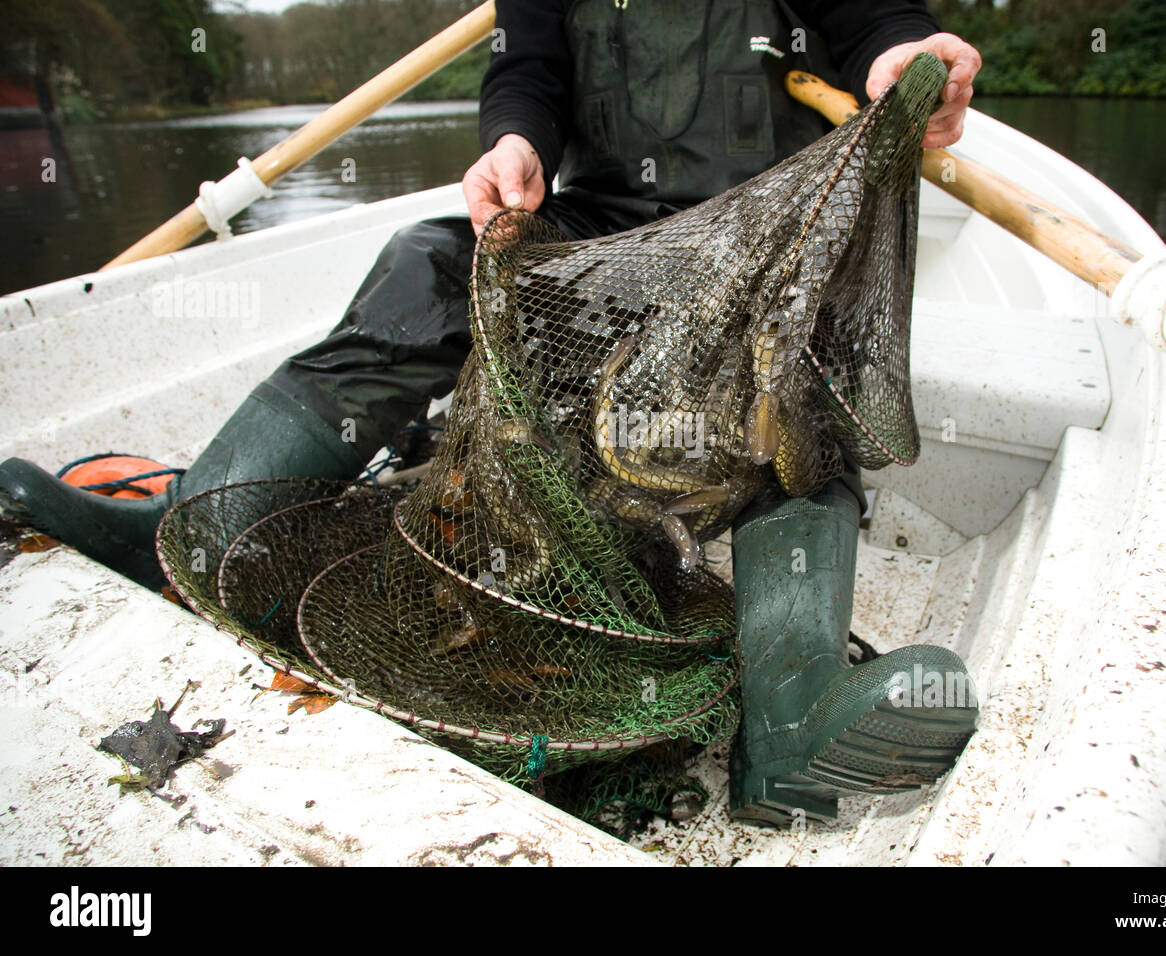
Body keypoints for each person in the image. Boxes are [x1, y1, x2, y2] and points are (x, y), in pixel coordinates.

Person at [0, 0, 981, 826]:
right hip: (605, 239)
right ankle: (192, 533)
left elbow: (869, 18)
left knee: (792, 377)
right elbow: (529, 70)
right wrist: (511, 141)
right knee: (425, 263)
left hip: (769, 242)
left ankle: (794, 717)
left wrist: (904, 54)